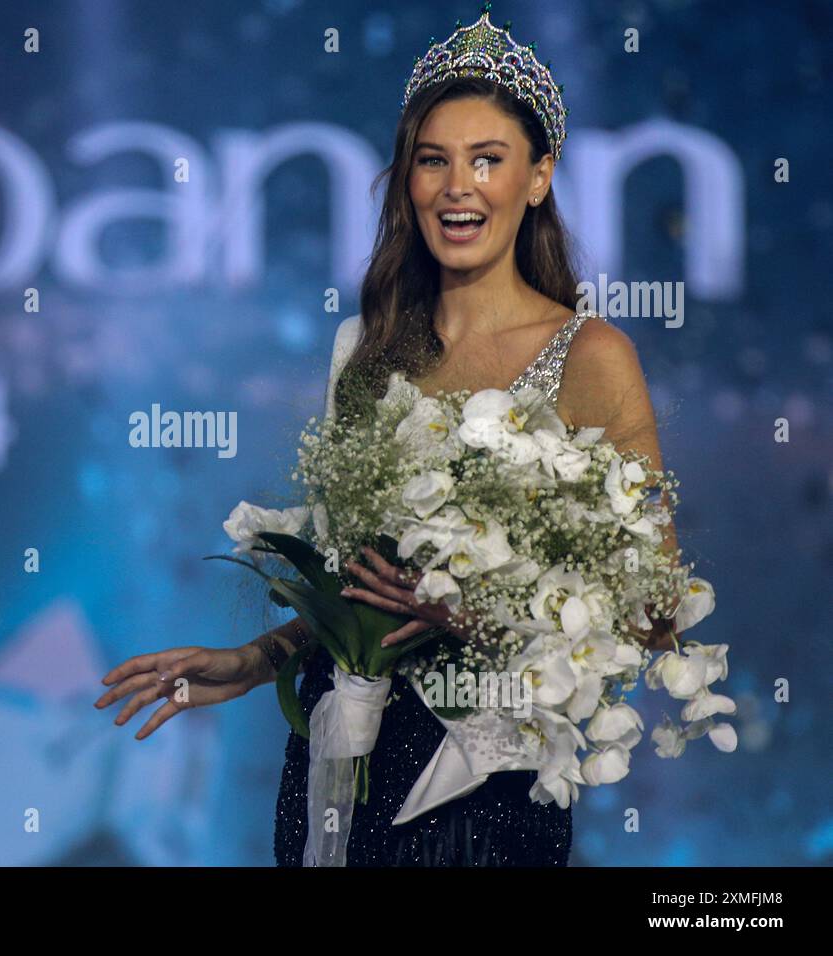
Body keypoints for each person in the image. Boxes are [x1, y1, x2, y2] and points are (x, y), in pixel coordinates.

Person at [95, 4, 679, 866]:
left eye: (489, 160)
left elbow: (654, 610)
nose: (458, 187)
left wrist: (478, 614)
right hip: (340, 758)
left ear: (539, 176)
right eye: (433, 161)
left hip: (481, 778)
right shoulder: (364, 352)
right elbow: (353, 585)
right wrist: (257, 660)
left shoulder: (588, 355)